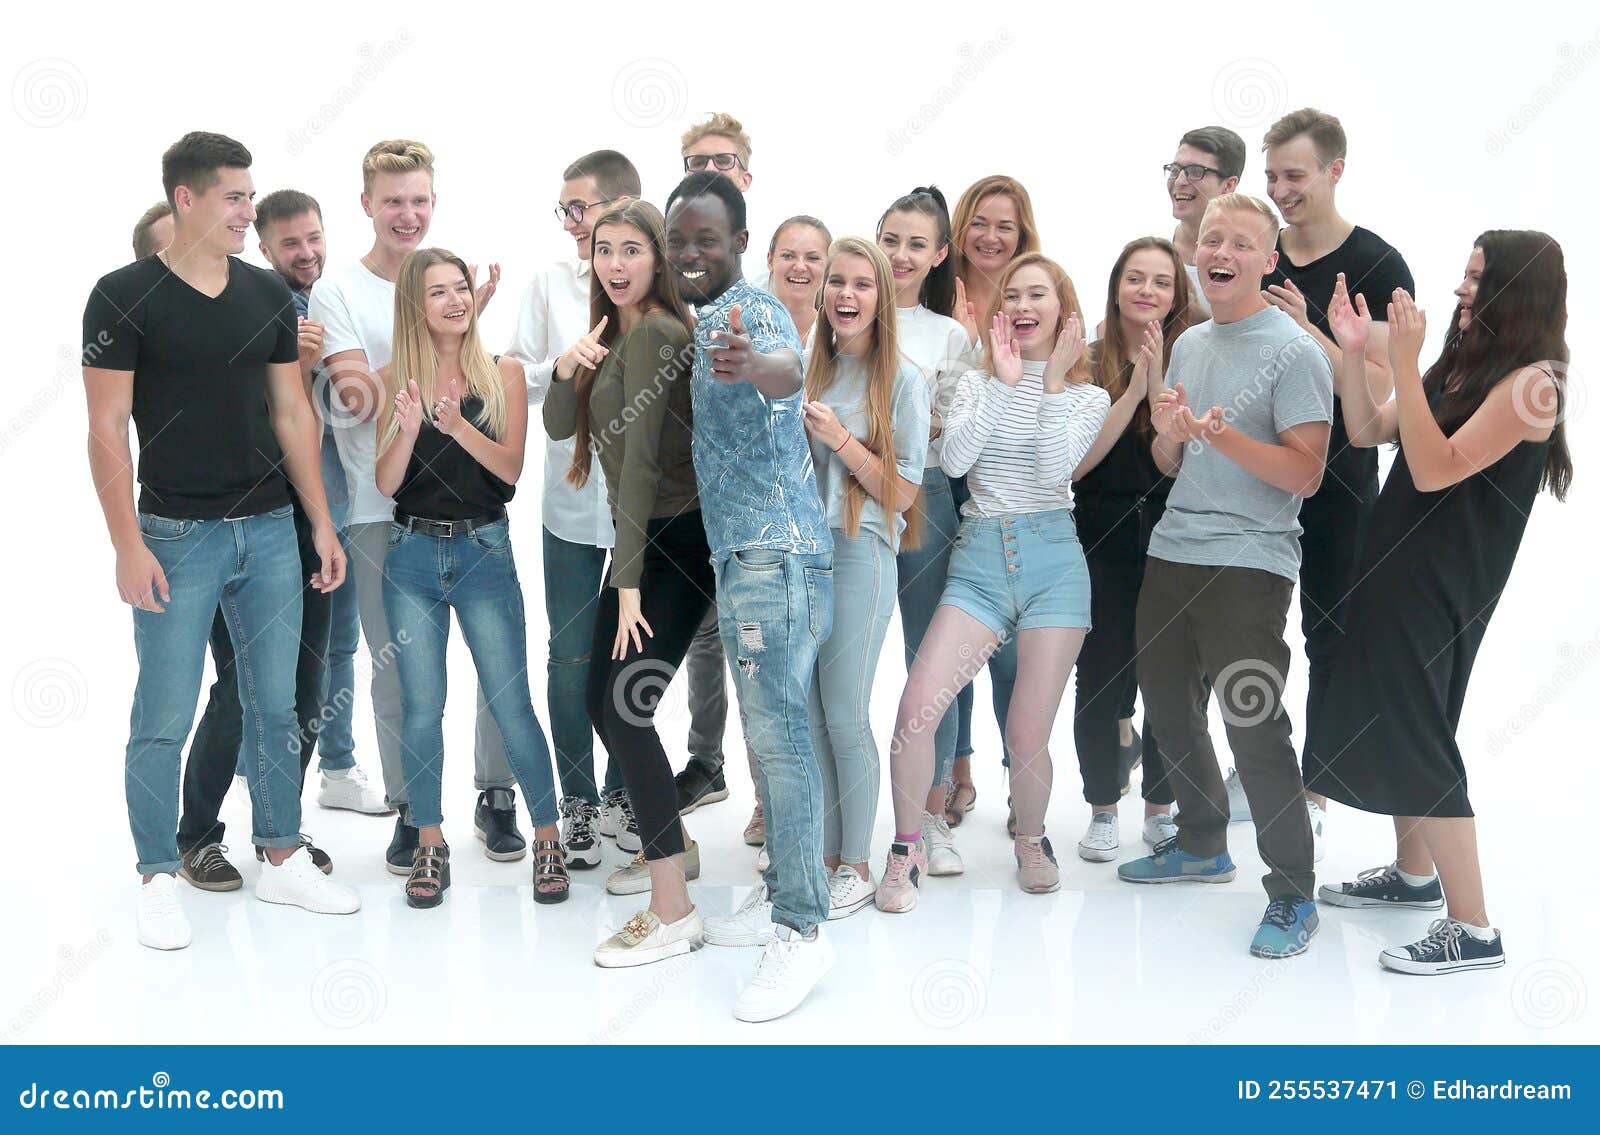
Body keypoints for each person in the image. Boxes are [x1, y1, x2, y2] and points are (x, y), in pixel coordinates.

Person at [84, 132, 360, 950]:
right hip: (176, 535)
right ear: (187, 198)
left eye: (249, 194)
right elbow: (106, 428)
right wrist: (126, 543)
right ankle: (157, 875)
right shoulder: (122, 295)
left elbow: (291, 412)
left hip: (271, 531)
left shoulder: (267, 293)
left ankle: (280, 854)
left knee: (275, 707)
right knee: (163, 714)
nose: (249, 210)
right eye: (235, 197)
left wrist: (319, 520)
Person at [1308, 235, 1571, 974]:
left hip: (1442, 580)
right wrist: (1354, 354)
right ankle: (1414, 874)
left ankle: (1474, 927)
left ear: (1517, 289)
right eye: (1465, 274)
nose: (1461, 289)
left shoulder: (1533, 386)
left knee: (1419, 732)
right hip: (1397, 566)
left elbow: (1432, 469)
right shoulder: (1466, 365)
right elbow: (1368, 429)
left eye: (1478, 278)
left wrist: (1400, 362)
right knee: (1410, 719)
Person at [1118, 193, 1333, 961]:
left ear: (1268, 260)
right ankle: (1203, 842)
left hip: (1251, 563)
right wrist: (1172, 434)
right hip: (1175, 550)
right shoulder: (1189, 343)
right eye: (1214, 238)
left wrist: (1222, 435)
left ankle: (1293, 892)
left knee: (1254, 724)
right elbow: (1171, 460)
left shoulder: (1296, 352)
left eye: (1243, 243)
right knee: (1168, 707)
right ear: (1196, 251)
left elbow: (1306, 473)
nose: (1224, 252)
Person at [310, 140, 518, 874]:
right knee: (397, 673)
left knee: (496, 666)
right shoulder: (338, 292)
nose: (408, 214)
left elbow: (491, 393)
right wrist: (435, 345)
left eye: (419, 200)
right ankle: (411, 808)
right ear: (366, 204)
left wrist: (454, 330)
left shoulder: (447, 285)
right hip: (381, 513)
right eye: (393, 201)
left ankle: (497, 794)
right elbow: (352, 398)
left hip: (475, 511)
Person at [880, 252, 1107, 911]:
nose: (1023, 305)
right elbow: (954, 461)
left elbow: (1055, 468)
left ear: (1064, 311)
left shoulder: (1087, 396)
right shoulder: (975, 382)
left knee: (1026, 734)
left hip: (1052, 563)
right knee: (915, 710)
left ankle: (1031, 839)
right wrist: (1004, 384)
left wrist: (1050, 384)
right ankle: (906, 848)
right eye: (1013, 294)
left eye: (1038, 294)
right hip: (980, 559)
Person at [172, 189, 383, 895]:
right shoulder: (244, 304)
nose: (307, 252)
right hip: (240, 523)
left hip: (314, 521)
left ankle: (279, 832)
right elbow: (241, 413)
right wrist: (293, 362)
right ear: (262, 246)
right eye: (291, 242)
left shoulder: (330, 305)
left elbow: (340, 412)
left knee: (306, 684)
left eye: (314, 238)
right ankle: (196, 836)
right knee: (240, 687)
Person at [661, 171, 835, 1022]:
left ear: (738, 242)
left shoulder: (750, 311)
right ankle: (780, 898)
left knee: (782, 740)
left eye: (707, 239)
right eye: (679, 240)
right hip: (746, 558)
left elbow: (786, 369)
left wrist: (754, 365)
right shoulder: (707, 318)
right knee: (768, 742)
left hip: (775, 559)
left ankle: (802, 928)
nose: (690, 253)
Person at [374, 248, 565, 908]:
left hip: (484, 551)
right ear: (415, 305)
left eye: (461, 288)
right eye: (439, 292)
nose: (456, 300)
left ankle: (547, 835)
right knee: (422, 707)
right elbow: (386, 483)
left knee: (511, 703)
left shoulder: (502, 372)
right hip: (410, 558)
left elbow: (509, 470)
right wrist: (409, 430)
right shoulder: (393, 378)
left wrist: (455, 426)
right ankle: (430, 840)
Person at [542, 201, 706, 964]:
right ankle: (676, 846)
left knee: (626, 708)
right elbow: (558, 427)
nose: (614, 262)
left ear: (658, 258)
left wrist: (629, 581)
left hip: (676, 544)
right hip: (644, 543)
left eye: (632, 249)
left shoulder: (659, 335)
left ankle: (673, 910)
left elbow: (639, 465)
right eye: (604, 248)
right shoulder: (616, 332)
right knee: (600, 701)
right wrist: (567, 367)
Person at [1258, 108, 1416, 858]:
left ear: (1335, 170)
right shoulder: (1257, 251)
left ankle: (1314, 791)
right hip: (1255, 475)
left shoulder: (1379, 265)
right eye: (1271, 177)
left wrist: (1310, 331)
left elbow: (1380, 392)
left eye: (1294, 175)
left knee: (1328, 634)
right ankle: (1255, 768)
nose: (1280, 190)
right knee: (1244, 633)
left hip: (1342, 481)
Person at [508, 149, 650, 866]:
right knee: (569, 657)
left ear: (621, 206)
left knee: (632, 657)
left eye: (579, 207)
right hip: (568, 505)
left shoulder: (655, 289)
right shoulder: (548, 285)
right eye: (564, 210)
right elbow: (514, 376)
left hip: (641, 514)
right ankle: (579, 802)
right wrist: (560, 365)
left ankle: (625, 792)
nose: (569, 222)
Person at [802, 237, 929, 918]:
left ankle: (856, 862)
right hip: (803, 557)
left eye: (861, 284)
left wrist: (843, 441)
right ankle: (827, 859)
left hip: (860, 552)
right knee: (812, 715)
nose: (846, 295)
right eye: (836, 283)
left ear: (882, 297)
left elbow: (904, 494)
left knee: (846, 713)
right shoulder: (808, 368)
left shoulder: (903, 380)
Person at [1070, 238, 1193, 862]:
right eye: (1136, 278)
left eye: (1161, 282)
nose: (1147, 291)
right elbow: (1074, 463)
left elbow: (1177, 462)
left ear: (1177, 295)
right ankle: (1102, 808)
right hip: (1099, 535)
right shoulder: (1087, 361)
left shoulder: (1192, 355)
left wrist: (1161, 384)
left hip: (1174, 534)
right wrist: (1135, 389)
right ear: (1116, 286)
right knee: (1099, 675)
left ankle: (1161, 808)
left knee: (1171, 677)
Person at [875, 186, 973, 876]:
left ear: (939, 254)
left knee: (932, 660)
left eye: (917, 244)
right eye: (891, 240)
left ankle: (933, 816)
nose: (901, 255)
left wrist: (903, 421)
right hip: (851, 492)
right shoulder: (847, 308)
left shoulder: (948, 334)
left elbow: (949, 429)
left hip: (926, 497)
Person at [938, 175, 1042, 826]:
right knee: (951, 639)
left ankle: (1017, 778)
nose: (990, 236)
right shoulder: (935, 297)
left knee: (1007, 646)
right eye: (979, 222)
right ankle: (959, 772)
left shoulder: (1033, 300)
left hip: (1010, 488)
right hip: (943, 481)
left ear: (1022, 233)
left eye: (1005, 225)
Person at [1164, 126, 1244, 321]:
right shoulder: (1151, 255)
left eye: (1195, 171)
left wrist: (1197, 318)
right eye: (1175, 170)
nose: (1180, 181)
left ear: (1229, 185)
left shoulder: (1250, 263)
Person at [766, 216, 830, 347]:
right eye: (788, 256)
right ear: (770, 261)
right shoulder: (743, 331)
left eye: (813, 258)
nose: (800, 267)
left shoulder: (838, 339)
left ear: (829, 266)